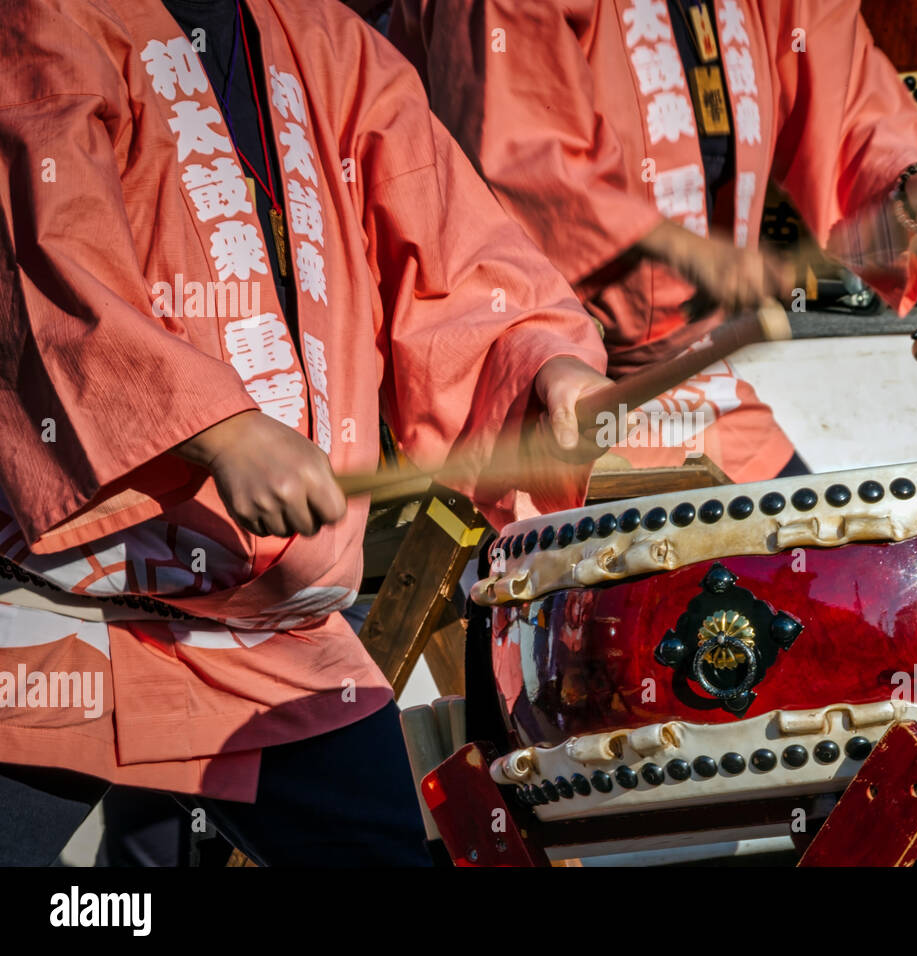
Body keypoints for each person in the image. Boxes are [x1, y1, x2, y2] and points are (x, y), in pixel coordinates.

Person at [0, 0, 610, 866]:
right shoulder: (45, 19)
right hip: (55, 616)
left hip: (275, 640)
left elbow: (454, 256)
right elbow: (49, 260)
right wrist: (218, 431)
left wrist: (547, 365)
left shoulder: (325, 40)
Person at [388, 0, 917, 482]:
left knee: (822, 579)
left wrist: (907, 180)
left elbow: (845, 79)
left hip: (700, 386)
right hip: (540, 393)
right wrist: (682, 249)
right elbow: (521, 156)